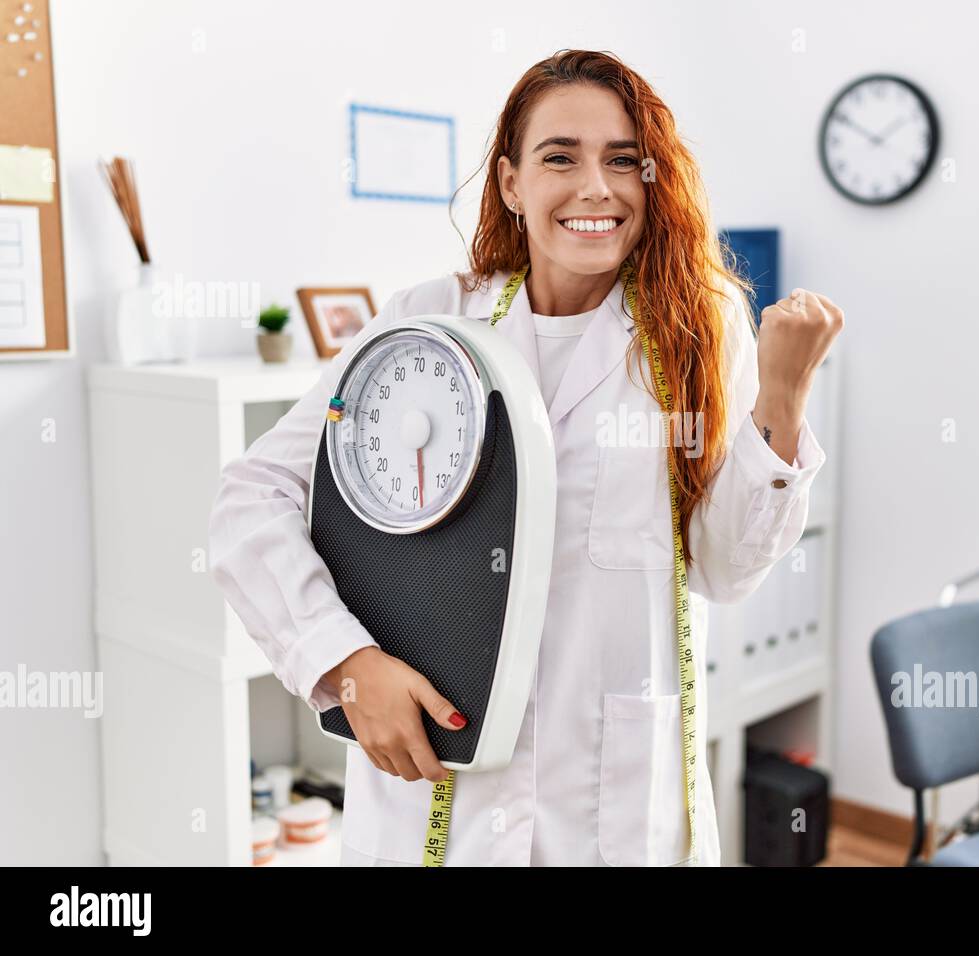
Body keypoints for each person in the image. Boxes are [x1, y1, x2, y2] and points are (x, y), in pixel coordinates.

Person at [209, 49, 843, 866]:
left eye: (624, 161)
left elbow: (724, 570)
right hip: (442, 790)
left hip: (609, 799)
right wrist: (344, 661)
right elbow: (250, 496)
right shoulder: (428, 319)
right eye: (559, 158)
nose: (596, 189)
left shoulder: (698, 331)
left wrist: (783, 396)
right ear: (511, 183)